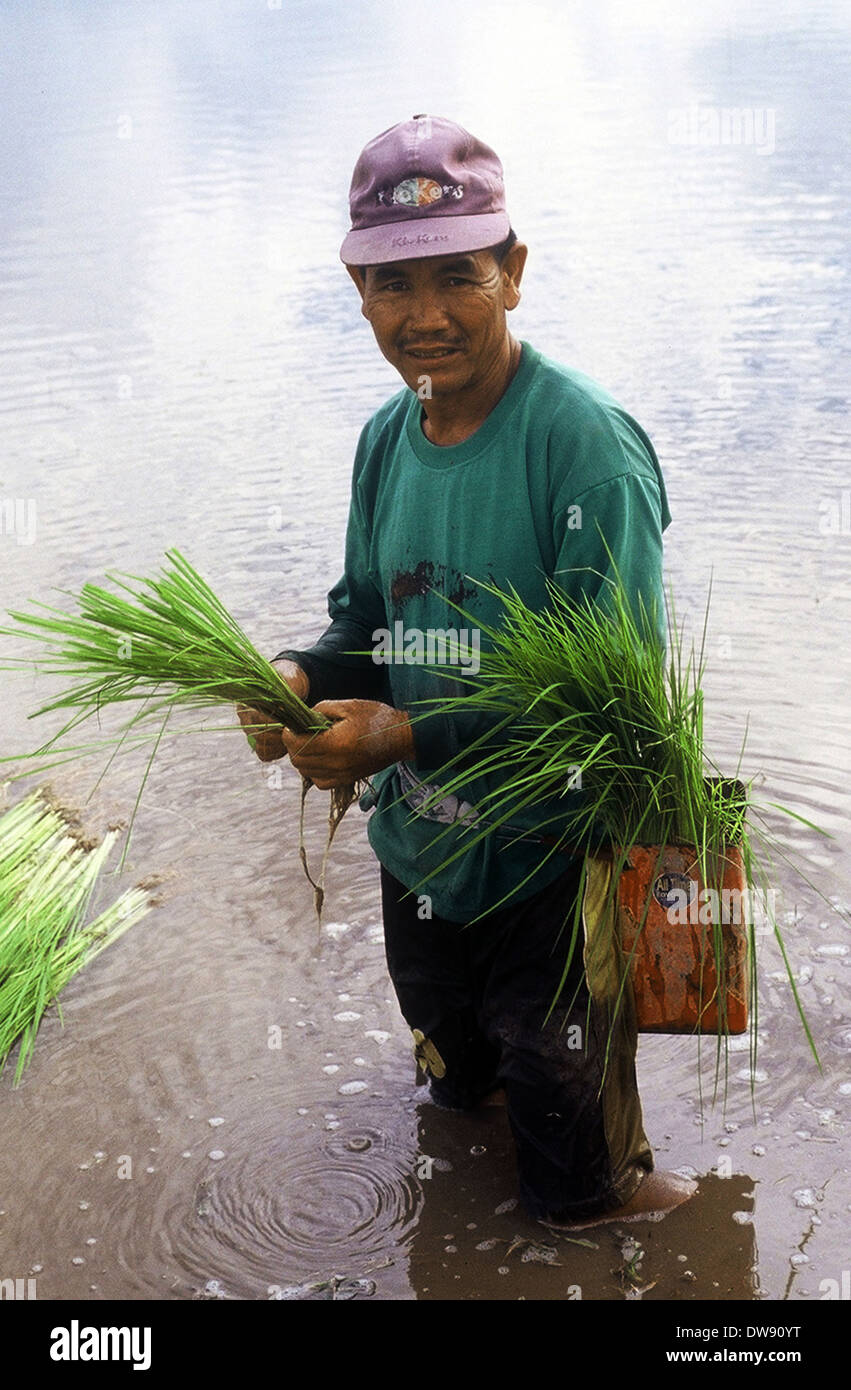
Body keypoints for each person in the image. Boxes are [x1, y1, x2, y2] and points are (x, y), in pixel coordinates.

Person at [239, 114, 696, 1228]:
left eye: (458, 277)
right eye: (394, 286)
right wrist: (299, 673)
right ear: (356, 290)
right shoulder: (385, 440)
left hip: (554, 863)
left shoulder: (581, 444)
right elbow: (368, 625)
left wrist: (404, 734)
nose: (426, 315)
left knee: (575, 1187)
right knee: (456, 1092)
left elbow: (615, 701)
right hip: (423, 850)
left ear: (514, 273)